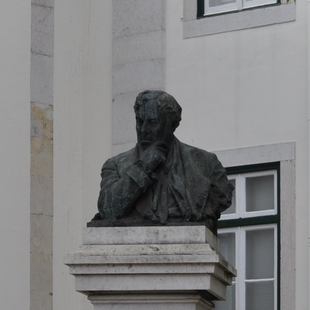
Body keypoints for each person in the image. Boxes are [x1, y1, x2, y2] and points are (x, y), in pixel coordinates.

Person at [93, 90, 233, 232]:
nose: (144, 130)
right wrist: (143, 168)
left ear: (172, 125)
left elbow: (222, 197)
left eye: (153, 122)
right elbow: (108, 210)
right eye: (139, 122)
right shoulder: (115, 165)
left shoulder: (206, 163)